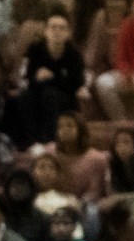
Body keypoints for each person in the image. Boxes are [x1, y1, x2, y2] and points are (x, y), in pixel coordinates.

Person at [17, 12, 85, 146]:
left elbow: (77, 82)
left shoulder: (74, 54)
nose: (57, 31)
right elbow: (26, 77)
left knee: (50, 95)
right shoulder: (35, 50)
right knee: (24, 97)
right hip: (38, 92)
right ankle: (32, 142)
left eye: (62, 28)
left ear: (68, 33)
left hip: (64, 97)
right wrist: (37, 77)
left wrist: (53, 77)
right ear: (45, 31)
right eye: (53, 27)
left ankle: (52, 141)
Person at [2, 167, 49, 241]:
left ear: (31, 189)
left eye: (23, 185)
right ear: (8, 189)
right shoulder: (0, 216)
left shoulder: (43, 219)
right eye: (15, 185)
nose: (19, 189)